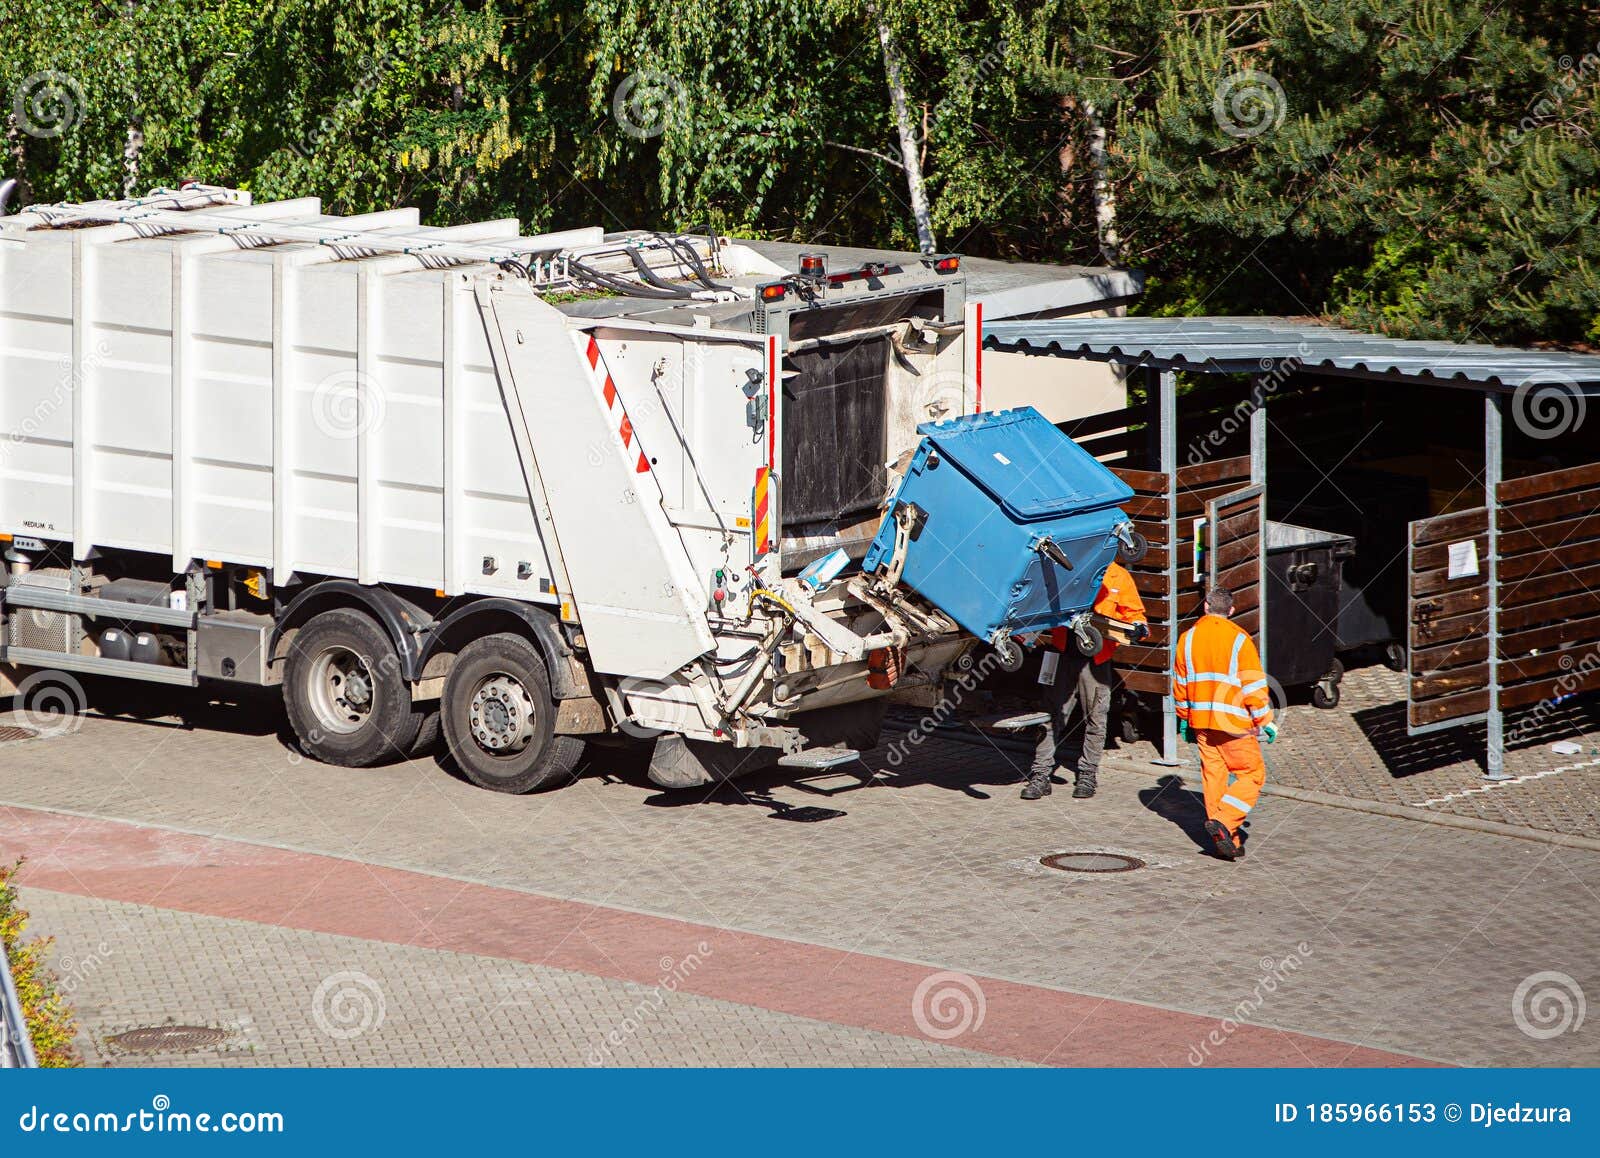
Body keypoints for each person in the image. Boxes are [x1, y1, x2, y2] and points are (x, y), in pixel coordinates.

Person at [1022, 560, 1148, 800]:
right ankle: (1040, 776)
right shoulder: (1065, 568)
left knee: (1096, 720)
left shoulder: (1117, 576)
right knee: (1050, 717)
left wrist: (1139, 628)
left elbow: (1135, 614)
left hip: (1096, 662)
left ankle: (1088, 775)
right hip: (1062, 656)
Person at [1172, 587, 1278, 860]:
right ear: (1231, 611)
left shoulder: (1187, 639)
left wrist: (1184, 719)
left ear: (1205, 606)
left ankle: (1226, 840)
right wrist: (1265, 720)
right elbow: (1253, 685)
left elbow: (1180, 684)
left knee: (1214, 777)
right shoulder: (1239, 639)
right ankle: (1226, 821)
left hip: (1202, 722)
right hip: (1233, 722)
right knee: (1252, 775)